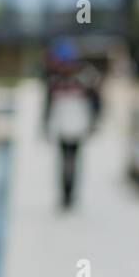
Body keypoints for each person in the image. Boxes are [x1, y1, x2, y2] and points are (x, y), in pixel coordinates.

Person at [43, 38, 98, 210]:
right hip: (62, 126)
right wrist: (45, 124)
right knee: (65, 161)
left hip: (77, 126)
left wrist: (93, 122)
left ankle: (70, 194)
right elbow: (48, 105)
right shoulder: (54, 81)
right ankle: (65, 195)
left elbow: (95, 103)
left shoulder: (84, 79)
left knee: (72, 160)